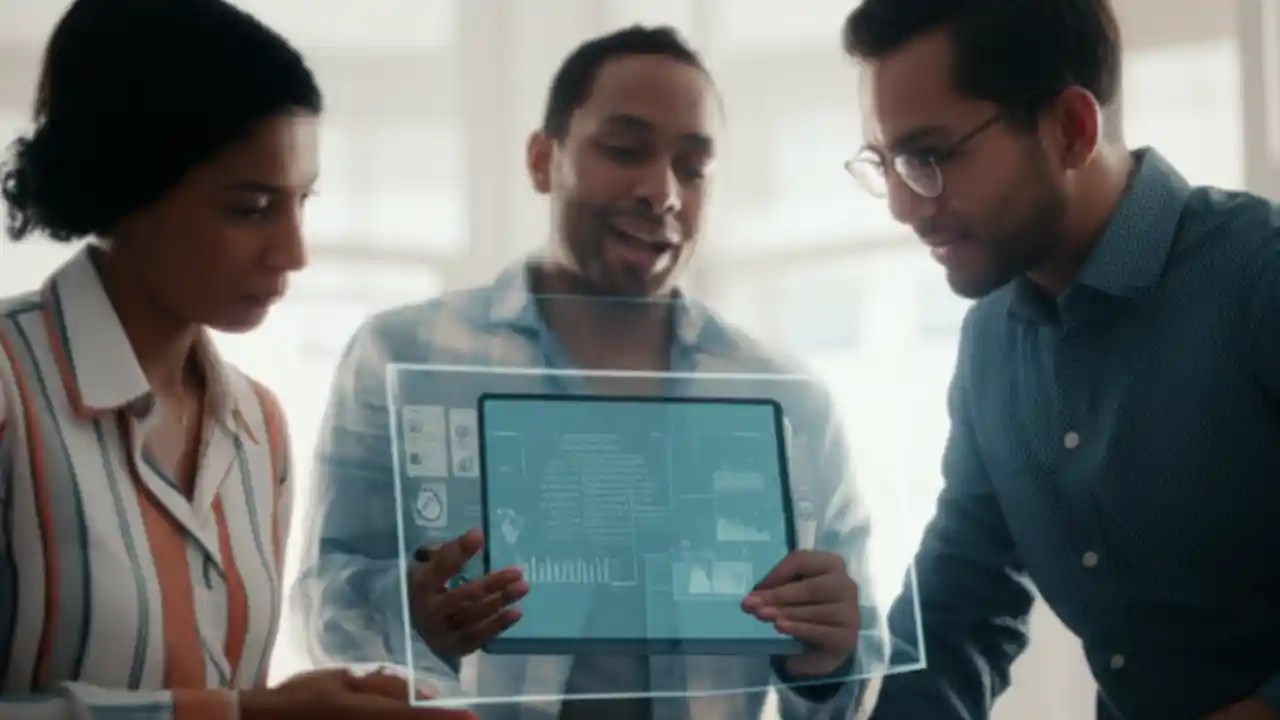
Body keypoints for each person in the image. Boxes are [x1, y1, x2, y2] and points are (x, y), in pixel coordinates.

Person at [294, 25, 883, 720]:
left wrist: (828, 659)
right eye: (626, 150)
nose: (663, 191)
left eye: (693, 168)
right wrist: (410, 614)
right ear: (544, 159)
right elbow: (323, 603)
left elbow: (852, 671)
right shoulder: (402, 356)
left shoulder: (789, 402)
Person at [0, 1, 472, 718]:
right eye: (250, 208)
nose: (295, 253)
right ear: (126, 188)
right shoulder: (11, 389)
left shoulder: (258, 428)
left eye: (302, 202)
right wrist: (255, 714)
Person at [840, 1, 1280, 718]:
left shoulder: (1258, 279)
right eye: (885, 162)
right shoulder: (990, 342)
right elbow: (959, 612)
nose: (901, 204)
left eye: (928, 158)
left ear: (1071, 130)